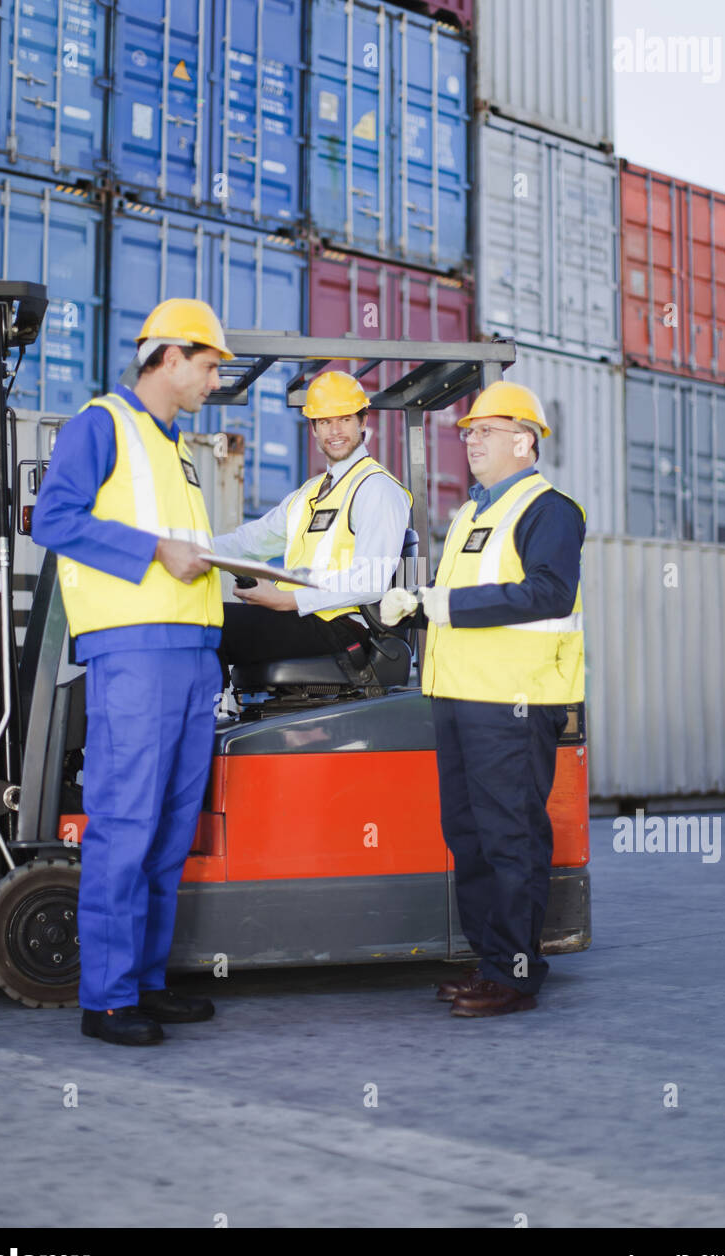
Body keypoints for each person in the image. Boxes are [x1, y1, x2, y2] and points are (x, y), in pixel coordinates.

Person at [31, 298, 233, 1046]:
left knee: (172, 828)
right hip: (136, 653)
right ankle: (107, 998)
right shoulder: (102, 424)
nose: (214, 382)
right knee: (126, 824)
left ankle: (147, 981)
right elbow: (52, 519)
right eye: (210, 367)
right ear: (169, 357)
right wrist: (153, 550)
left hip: (191, 653)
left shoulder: (176, 447)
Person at [381, 382, 586, 1019]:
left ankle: (516, 974)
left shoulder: (548, 510)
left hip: (514, 702)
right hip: (461, 697)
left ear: (525, 441)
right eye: (467, 432)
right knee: (468, 836)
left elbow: (548, 593)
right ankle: (491, 958)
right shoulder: (472, 513)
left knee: (510, 838)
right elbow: (465, 605)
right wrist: (412, 611)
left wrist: (436, 603)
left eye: (486, 431)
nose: (471, 441)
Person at [212, 370, 412, 689]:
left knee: (208, 627)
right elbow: (251, 541)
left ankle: (200, 723)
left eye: (344, 419)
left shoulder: (377, 488)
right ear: (314, 430)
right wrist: (195, 550)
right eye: (323, 422)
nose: (334, 431)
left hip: (340, 625)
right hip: (300, 618)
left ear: (363, 421)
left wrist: (287, 600)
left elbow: (371, 580)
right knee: (199, 620)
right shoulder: (309, 493)